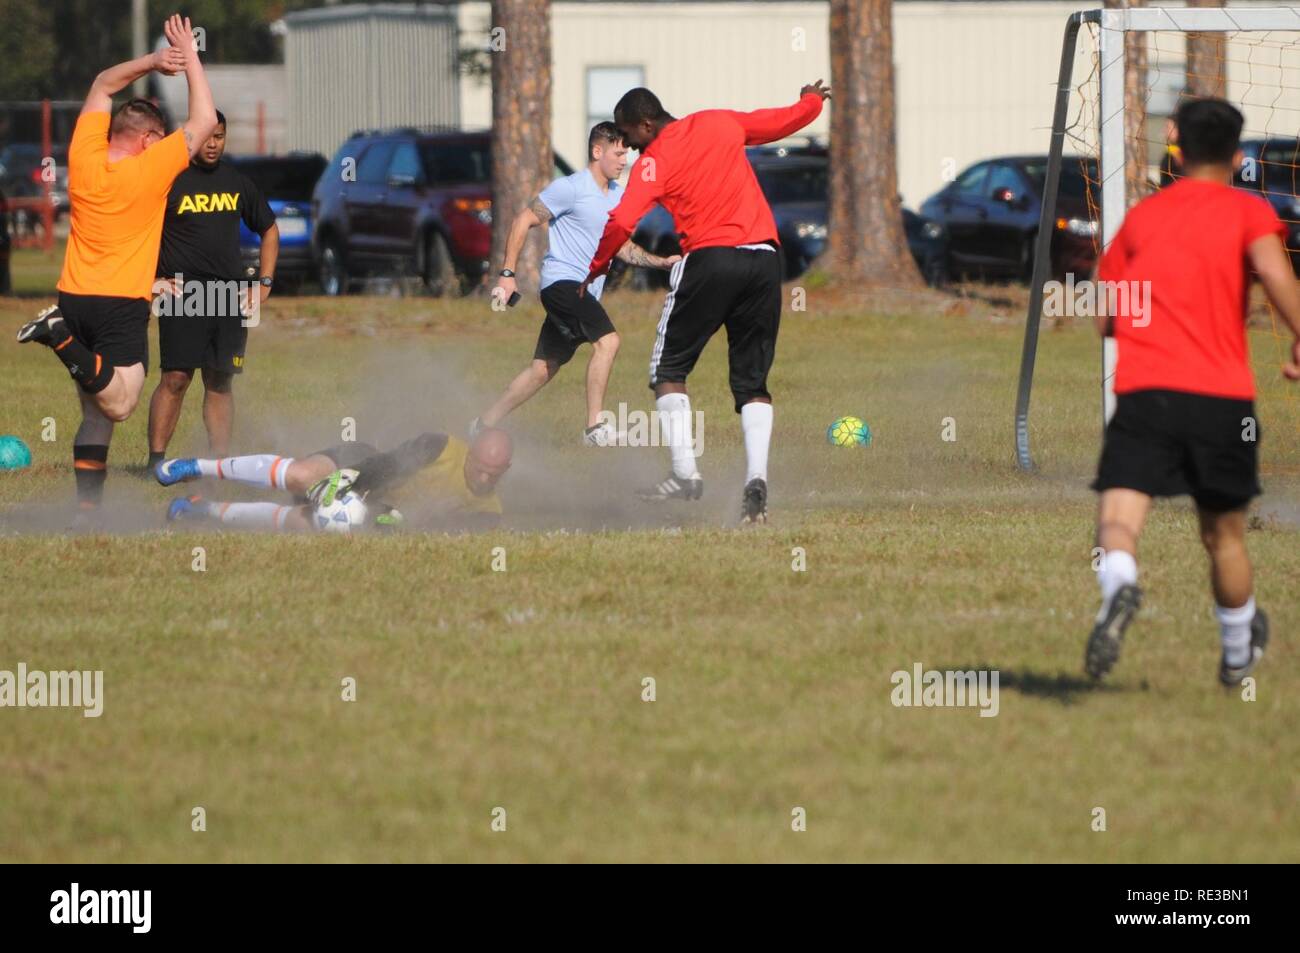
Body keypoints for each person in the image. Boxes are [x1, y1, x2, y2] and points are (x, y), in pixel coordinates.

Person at [1085, 97, 1300, 686]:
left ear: (1176, 151)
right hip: (1222, 400)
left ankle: (1121, 586)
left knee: (1119, 521)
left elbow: (1105, 316)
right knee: (1224, 538)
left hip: (1145, 392)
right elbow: (1280, 280)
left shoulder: (1144, 219)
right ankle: (1236, 656)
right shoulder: (1248, 213)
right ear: (1236, 156)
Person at [580, 81, 831, 522]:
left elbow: (621, 219)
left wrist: (598, 265)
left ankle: (684, 474)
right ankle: (757, 480)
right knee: (752, 383)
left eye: (629, 136)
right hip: (765, 260)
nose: (630, 148)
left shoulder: (655, 161)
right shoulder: (719, 122)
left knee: (668, 370)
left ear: (646, 123)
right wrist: (810, 101)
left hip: (711, 260)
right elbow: (781, 122)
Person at [16, 14, 217, 515]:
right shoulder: (153, 167)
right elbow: (205, 122)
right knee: (123, 402)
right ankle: (56, 335)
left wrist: (152, 62)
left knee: (96, 414)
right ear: (150, 139)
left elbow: (103, 84)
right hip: (118, 303)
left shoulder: (84, 155)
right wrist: (188, 55)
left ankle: (86, 516)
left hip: (76, 293)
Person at [473, 122, 678, 445]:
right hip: (562, 283)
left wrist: (661, 262)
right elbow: (523, 219)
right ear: (597, 152)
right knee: (608, 342)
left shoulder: (619, 197)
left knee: (542, 369)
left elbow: (621, 247)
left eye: (626, 153)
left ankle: (482, 425)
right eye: (618, 153)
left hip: (584, 290)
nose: (624, 160)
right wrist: (507, 274)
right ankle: (595, 428)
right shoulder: (570, 187)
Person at [147, 109, 279, 464]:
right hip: (182, 294)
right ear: (191, 136)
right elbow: (140, 233)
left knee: (220, 381)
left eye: (219, 136)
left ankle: (221, 464)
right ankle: (155, 462)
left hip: (228, 297)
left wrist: (263, 283)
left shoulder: (237, 182)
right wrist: (151, 280)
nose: (213, 144)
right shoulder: (170, 180)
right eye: (207, 136)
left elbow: (269, 229)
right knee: (175, 378)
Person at [155, 428, 511, 532]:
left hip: (374, 512)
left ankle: (207, 511)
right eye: (478, 465)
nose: (483, 476)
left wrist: (397, 518)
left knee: (312, 524)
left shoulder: (489, 514)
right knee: (299, 476)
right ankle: (198, 466)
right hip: (361, 462)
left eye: (492, 475)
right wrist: (348, 482)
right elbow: (389, 463)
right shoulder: (441, 446)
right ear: (470, 453)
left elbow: (435, 531)